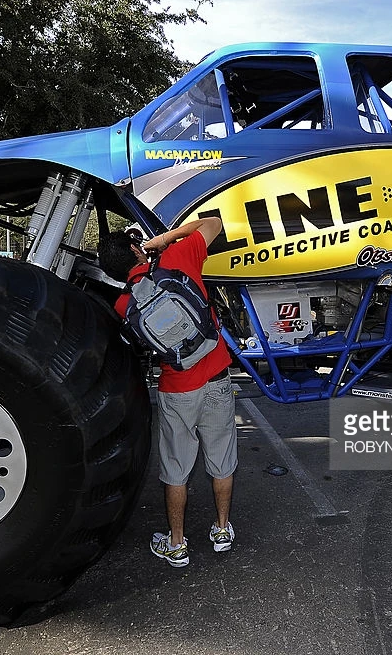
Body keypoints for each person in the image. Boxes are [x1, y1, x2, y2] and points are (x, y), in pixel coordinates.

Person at [98, 218, 237, 568]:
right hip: (217, 374)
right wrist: (163, 240)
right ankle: (222, 530)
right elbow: (214, 223)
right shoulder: (177, 259)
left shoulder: (123, 305)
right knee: (221, 460)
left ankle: (176, 544)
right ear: (136, 249)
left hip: (177, 388)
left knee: (176, 469)